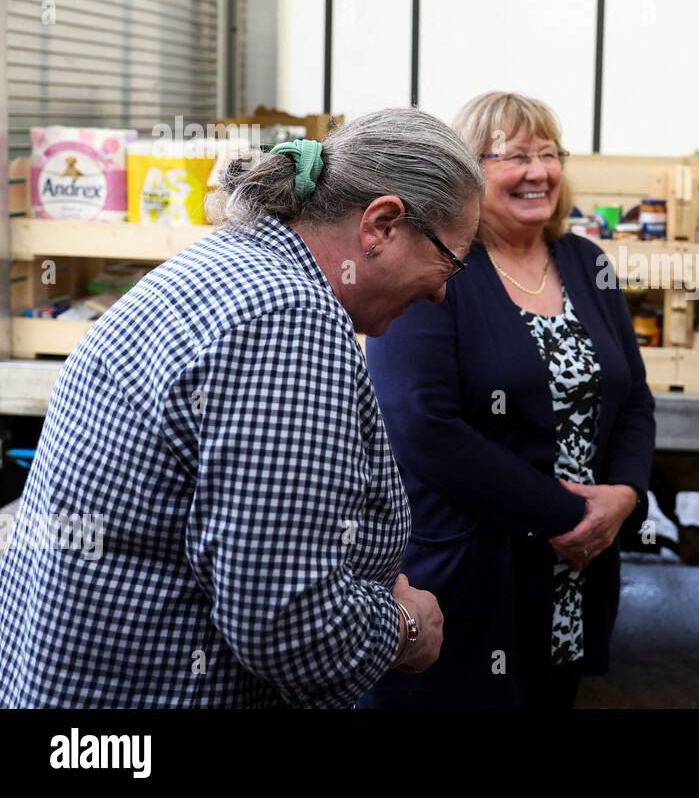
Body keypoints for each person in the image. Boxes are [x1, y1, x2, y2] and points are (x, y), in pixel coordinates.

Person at [0, 108, 482, 707]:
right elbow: (284, 618)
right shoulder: (287, 319)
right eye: (449, 261)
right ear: (380, 224)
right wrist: (403, 628)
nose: (442, 290)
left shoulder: (234, 265)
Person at [359, 92, 655, 709]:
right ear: (468, 171)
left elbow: (632, 400)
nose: (539, 171)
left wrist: (624, 495)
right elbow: (422, 425)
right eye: (515, 155)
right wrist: (566, 516)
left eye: (550, 153)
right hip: (471, 570)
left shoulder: (586, 262)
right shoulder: (441, 265)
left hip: (572, 573)